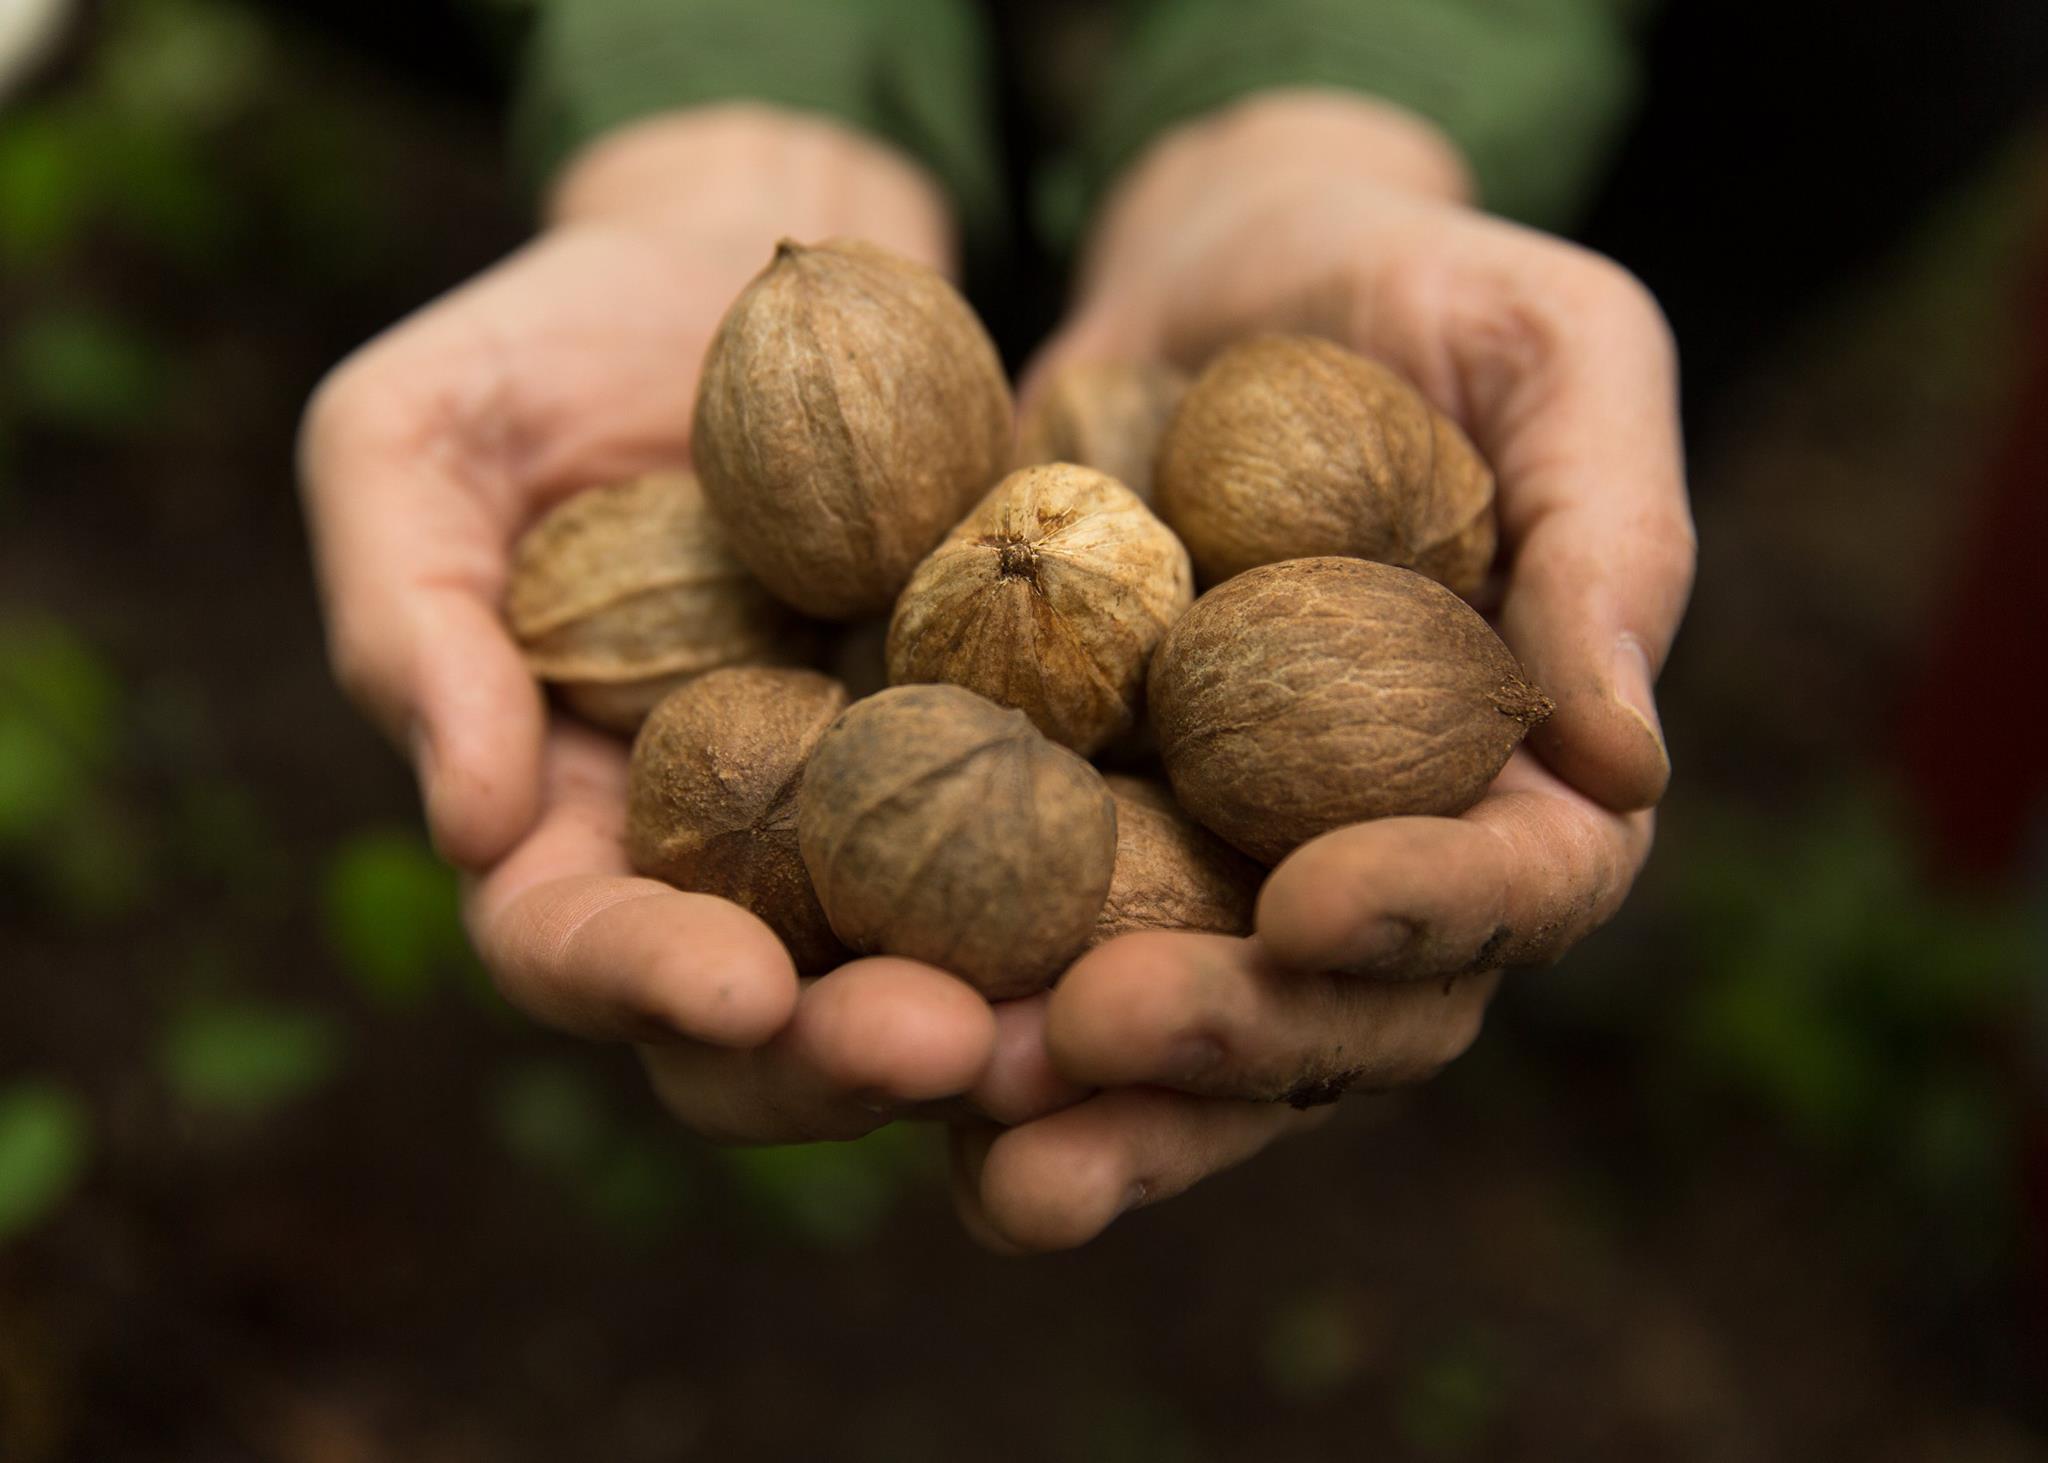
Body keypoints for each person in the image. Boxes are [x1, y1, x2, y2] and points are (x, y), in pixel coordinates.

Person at [297, 0, 1694, 1253]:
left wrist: (1320, 113)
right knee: (786, 815)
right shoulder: (912, 622)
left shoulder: (1167, 624)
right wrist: (730, 117)